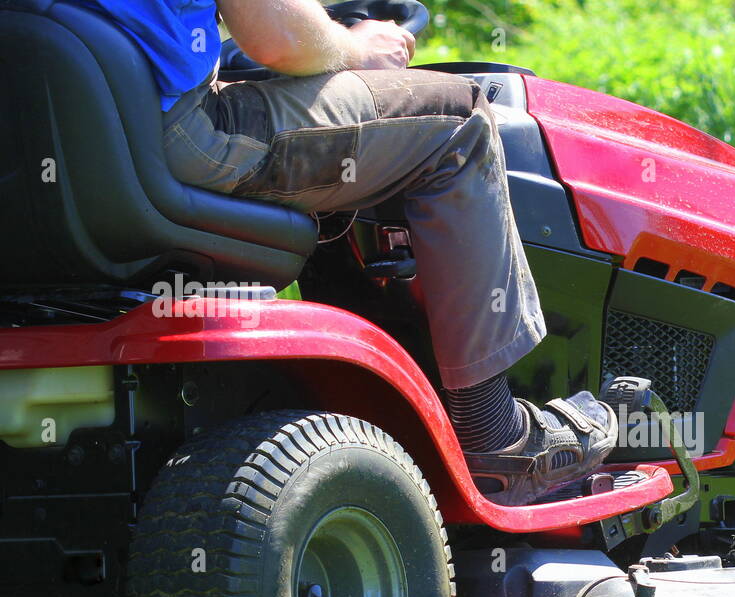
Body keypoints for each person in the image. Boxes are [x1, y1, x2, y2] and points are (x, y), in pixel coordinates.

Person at [73, 0, 617, 506]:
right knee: (460, 120)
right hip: (176, 137)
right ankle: (496, 438)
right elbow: (280, 38)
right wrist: (357, 48)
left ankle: (354, 400)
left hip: (62, 147)